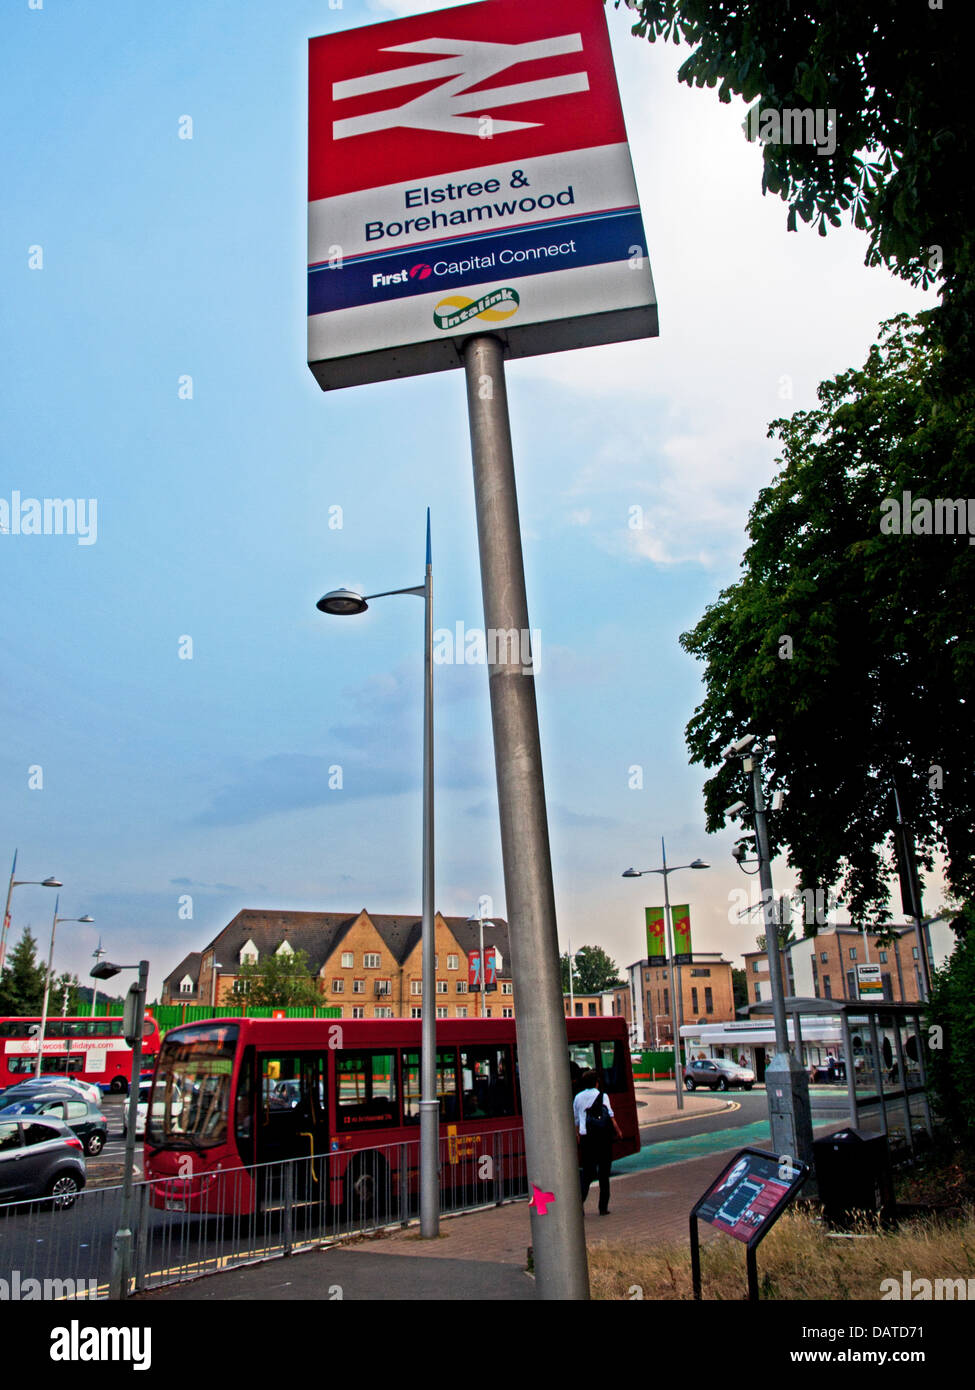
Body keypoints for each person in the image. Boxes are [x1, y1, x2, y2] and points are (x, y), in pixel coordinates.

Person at [573, 1069, 622, 1215]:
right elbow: (610, 1116)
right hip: (602, 1138)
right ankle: (603, 1207)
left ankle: (579, 1205)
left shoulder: (578, 1098)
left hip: (587, 1138)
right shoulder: (603, 1096)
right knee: (604, 1174)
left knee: (587, 1174)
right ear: (596, 1082)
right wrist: (618, 1131)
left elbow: (576, 1120)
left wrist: (578, 1135)